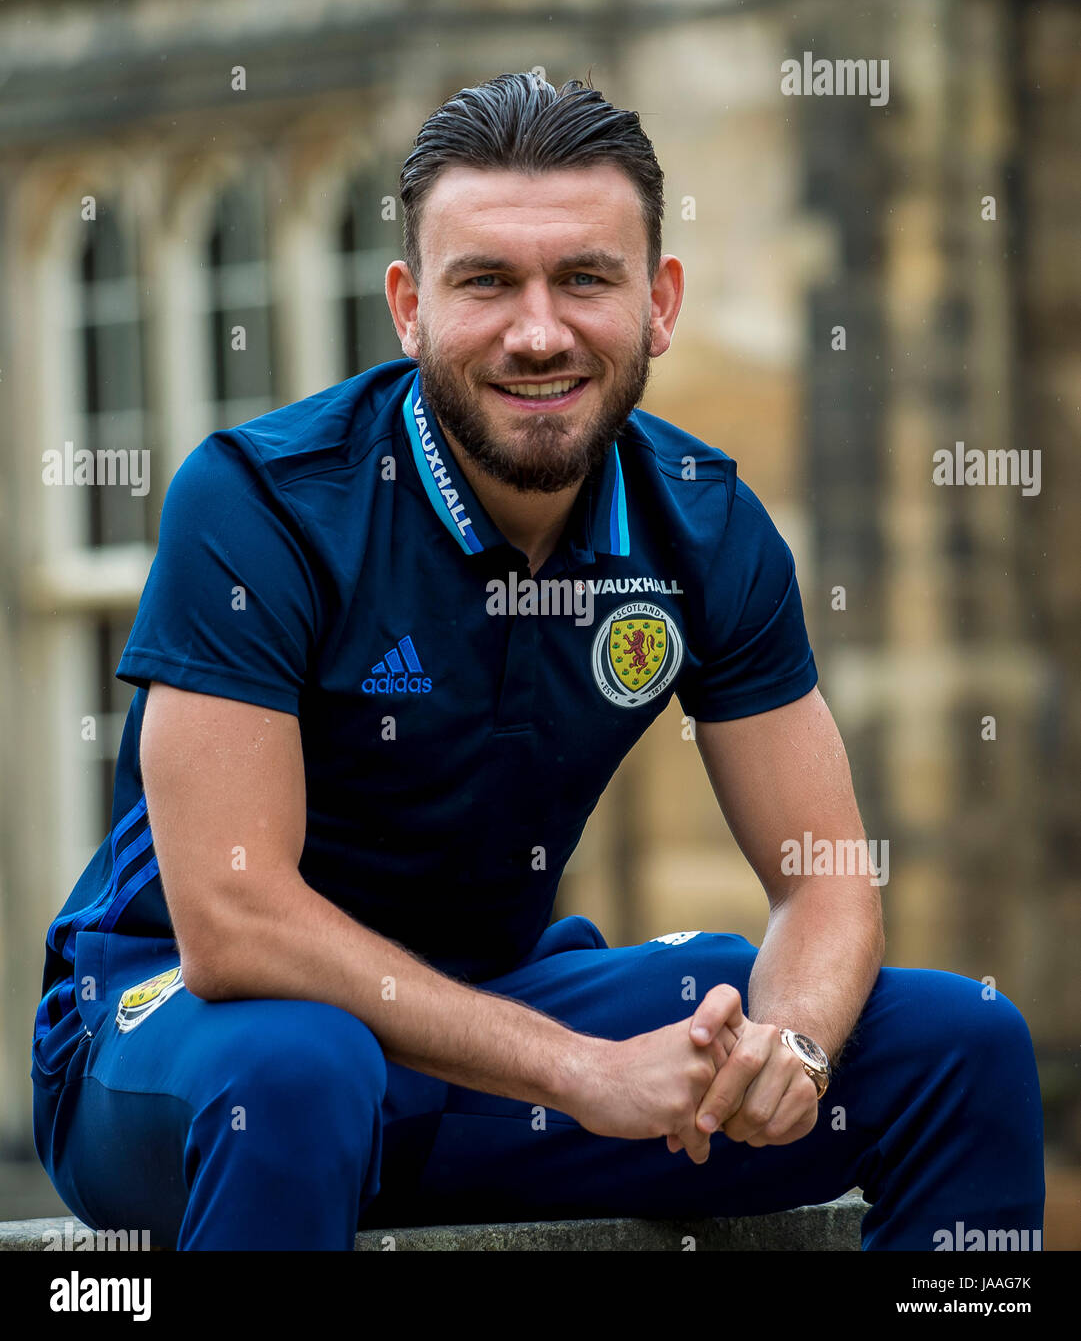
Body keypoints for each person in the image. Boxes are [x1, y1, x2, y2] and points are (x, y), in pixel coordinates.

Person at [31, 71, 1044, 1251]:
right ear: (407, 305)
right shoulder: (260, 502)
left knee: (963, 1042)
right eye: (486, 282)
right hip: (180, 1029)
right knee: (301, 1066)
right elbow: (234, 922)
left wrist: (795, 1049)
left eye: (584, 277)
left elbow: (821, 879)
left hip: (490, 1017)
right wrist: (579, 1074)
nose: (538, 330)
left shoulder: (705, 523)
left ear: (659, 301)